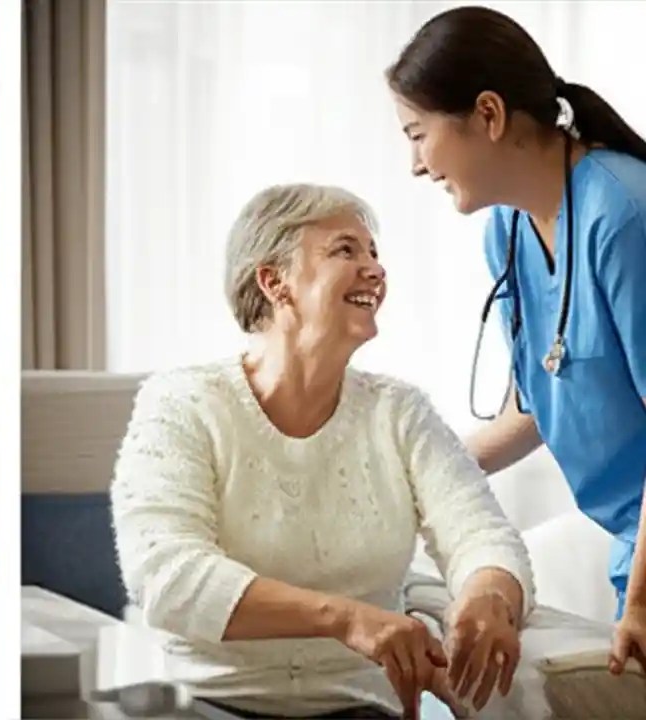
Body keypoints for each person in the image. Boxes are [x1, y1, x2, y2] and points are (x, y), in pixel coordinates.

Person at [110, 184, 535, 719]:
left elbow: (482, 534)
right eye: (346, 250)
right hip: (208, 703)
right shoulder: (181, 403)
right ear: (274, 281)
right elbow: (166, 576)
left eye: (375, 254)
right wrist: (348, 619)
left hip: (358, 705)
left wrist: (488, 596)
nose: (375, 270)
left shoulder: (401, 411)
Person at [387, 5, 646, 675]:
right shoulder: (504, 232)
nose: (415, 164)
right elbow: (539, 404)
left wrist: (641, 604)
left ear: (490, 116)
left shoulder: (624, 217)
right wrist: (414, 477)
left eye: (418, 134)